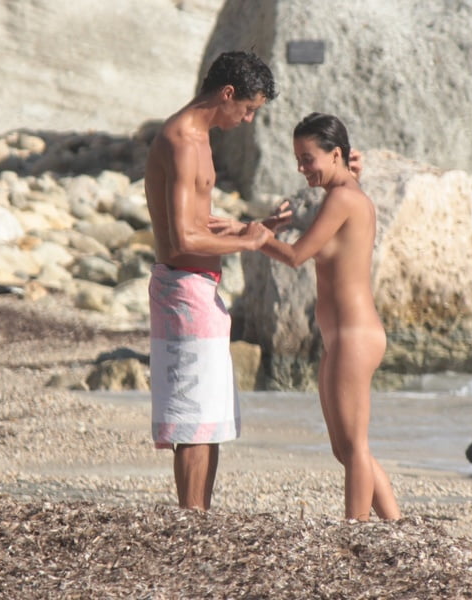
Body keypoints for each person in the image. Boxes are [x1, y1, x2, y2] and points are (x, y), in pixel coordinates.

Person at [144, 51, 283, 511]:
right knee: (193, 420)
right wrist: (249, 245)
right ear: (227, 94)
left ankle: (201, 517)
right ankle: (190, 520)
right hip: (183, 288)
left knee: (211, 418)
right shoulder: (183, 140)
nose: (247, 119)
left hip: (198, 290)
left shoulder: (200, 137)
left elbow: (197, 222)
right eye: (247, 109)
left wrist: (251, 227)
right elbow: (183, 238)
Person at [256, 112, 401, 521]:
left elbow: (296, 255)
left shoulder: (342, 198)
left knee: (354, 446)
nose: (301, 168)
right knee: (345, 447)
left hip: (356, 335)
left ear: (335, 154)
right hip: (344, 337)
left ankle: (354, 531)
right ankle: (395, 524)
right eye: (298, 159)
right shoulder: (345, 190)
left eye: (308, 159)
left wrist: (256, 237)